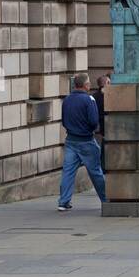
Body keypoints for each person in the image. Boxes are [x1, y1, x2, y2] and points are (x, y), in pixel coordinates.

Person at [57, 73, 105, 212]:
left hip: (71, 140)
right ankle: (105, 199)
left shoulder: (67, 100)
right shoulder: (89, 99)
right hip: (86, 141)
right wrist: (90, 130)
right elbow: (93, 121)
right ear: (85, 85)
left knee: (68, 172)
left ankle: (63, 201)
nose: (90, 85)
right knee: (95, 171)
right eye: (89, 83)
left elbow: (64, 121)